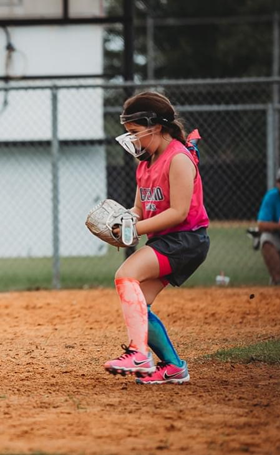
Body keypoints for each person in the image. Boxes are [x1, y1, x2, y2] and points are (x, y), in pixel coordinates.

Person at [101, 91, 206, 385]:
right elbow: (139, 208)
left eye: (134, 132)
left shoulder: (178, 159)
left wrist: (139, 230)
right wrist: (124, 222)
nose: (131, 139)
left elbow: (179, 212)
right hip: (167, 241)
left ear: (156, 126)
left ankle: (139, 353)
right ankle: (173, 366)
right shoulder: (145, 163)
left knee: (126, 274)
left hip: (187, 239)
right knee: (138, 305)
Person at [251, 166, 280, 284]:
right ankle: (278, 283)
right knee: (266, 238)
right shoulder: (272, 197)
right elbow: (261, 225)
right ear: (277, 183)